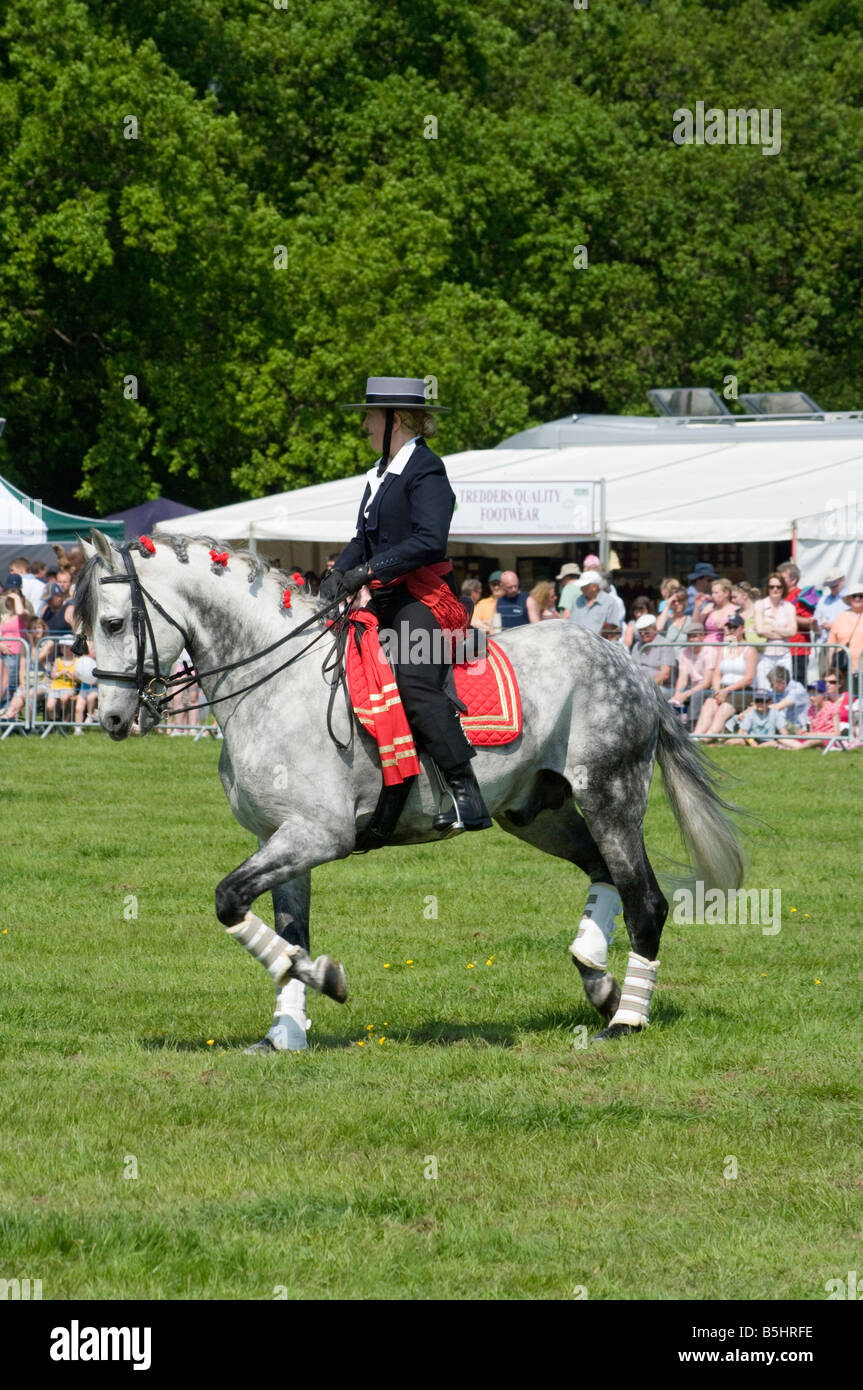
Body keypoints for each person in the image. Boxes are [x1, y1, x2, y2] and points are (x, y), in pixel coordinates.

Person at [322, 375, 491, 832]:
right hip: (387, 596)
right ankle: (387, 794)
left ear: (395, 419)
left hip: (424, 596)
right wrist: (340, 573)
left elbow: (429, 541)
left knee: (412, 681)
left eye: (370, 416)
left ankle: (465, 791)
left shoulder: (426, 470)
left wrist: (367, 572)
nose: (364, 425)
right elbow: (364, 538)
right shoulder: (380, 475)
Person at [692, 614, 758, 740]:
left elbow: (749, 678)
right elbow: (717, 673)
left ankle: (708, 737)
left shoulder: (750, 650)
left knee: (723, 710)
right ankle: (696, 736)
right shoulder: (724, 649)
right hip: (722, 687)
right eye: (729, 627)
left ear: (742, 629)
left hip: (742, 689)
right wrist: (717, 691)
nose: (731, 630)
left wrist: (726, 691)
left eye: (734, 627)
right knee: (709, 704)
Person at [669, 621, 717, 725]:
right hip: (693, 687)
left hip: (709, 689)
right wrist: (677, 695)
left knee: (697, 695)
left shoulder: (710, 651)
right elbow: (682, 678)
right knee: (669, 694)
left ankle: (691, 725)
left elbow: (707, 682)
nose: (691, 639)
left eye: (694, 636)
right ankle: (672, 725)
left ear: (702, 637)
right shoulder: (684, 652)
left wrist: (686, 694)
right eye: (689, 636)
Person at [777, 561, 813, 684]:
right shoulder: (778, 596)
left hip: (797, 649)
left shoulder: (801, 596)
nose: (778, 582)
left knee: (797, 684)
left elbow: (809, 621)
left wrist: (788, 615)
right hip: (779, 648)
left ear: (793, 580)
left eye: (782, 579)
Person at [827, 579, 863, 674]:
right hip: (843, 668)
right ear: (849, 598)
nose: (857, 598)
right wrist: (831, 666)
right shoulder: (841, 616)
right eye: (854, 596)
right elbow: (831, 643)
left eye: (861, 596)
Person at [632, 613, 673, 693]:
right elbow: (633, 669)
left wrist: (647, 686)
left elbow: (665, 674)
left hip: (660, 687)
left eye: (646, 631)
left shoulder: (665, 644)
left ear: (654, 629)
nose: (642, 634)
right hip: (639, 686)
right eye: (640, 631)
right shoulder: (637, 646)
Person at [765, 665, 809, 732]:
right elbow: (762, 702)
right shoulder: (778, 690)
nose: (771, 687)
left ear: (783, 682)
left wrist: (755, 710)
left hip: (798, 728)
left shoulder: (797, 690)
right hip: (786, 726)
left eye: (772, 684)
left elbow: (778, 707)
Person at [46, 638, 78, 722]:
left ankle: (66, 720)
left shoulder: (77, 661)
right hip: (55, 687)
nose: (64, 649)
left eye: (67, 647)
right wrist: (60, 673)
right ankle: (55, 722)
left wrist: (70, 674)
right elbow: (52, 675)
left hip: (69, 687)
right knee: (49, 706)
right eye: (62, 647)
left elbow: (78, 678)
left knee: (64, 699)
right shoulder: (58, 660)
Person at [814, 569, 846, 650]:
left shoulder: (853, 599)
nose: (832, 587)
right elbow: (817, 624)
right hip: (825, 644)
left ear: (842, 580)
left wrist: (835, 626)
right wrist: (814, 625)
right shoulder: (822, 601)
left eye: (834, 584)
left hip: (845, 645)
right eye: (830, 585)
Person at [655, 584, 692, 650]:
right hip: (668, 657)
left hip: (685, 658)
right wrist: (667, 605)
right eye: (673, 601)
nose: (677, 603)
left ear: (685, 601)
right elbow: (658, 628)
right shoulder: (665, 619)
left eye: (680, 600)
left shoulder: (690, 619)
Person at [702, 577, 738, 643]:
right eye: (712, 592)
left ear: (726, 593)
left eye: (716, 593)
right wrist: (700, 610)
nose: (713, 595)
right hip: (707, 648)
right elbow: (695, 626)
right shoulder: (710, 607)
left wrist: (725, 627)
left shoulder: (736, 610)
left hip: (725, 647)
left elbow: (739, 633)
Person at [731, 581, 764, 647]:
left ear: (745, 596)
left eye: (735, 597)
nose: (732, 600)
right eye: (732, 597)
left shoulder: (759, 611)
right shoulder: (735, 613)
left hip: (757, 650)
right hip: (739, 650)